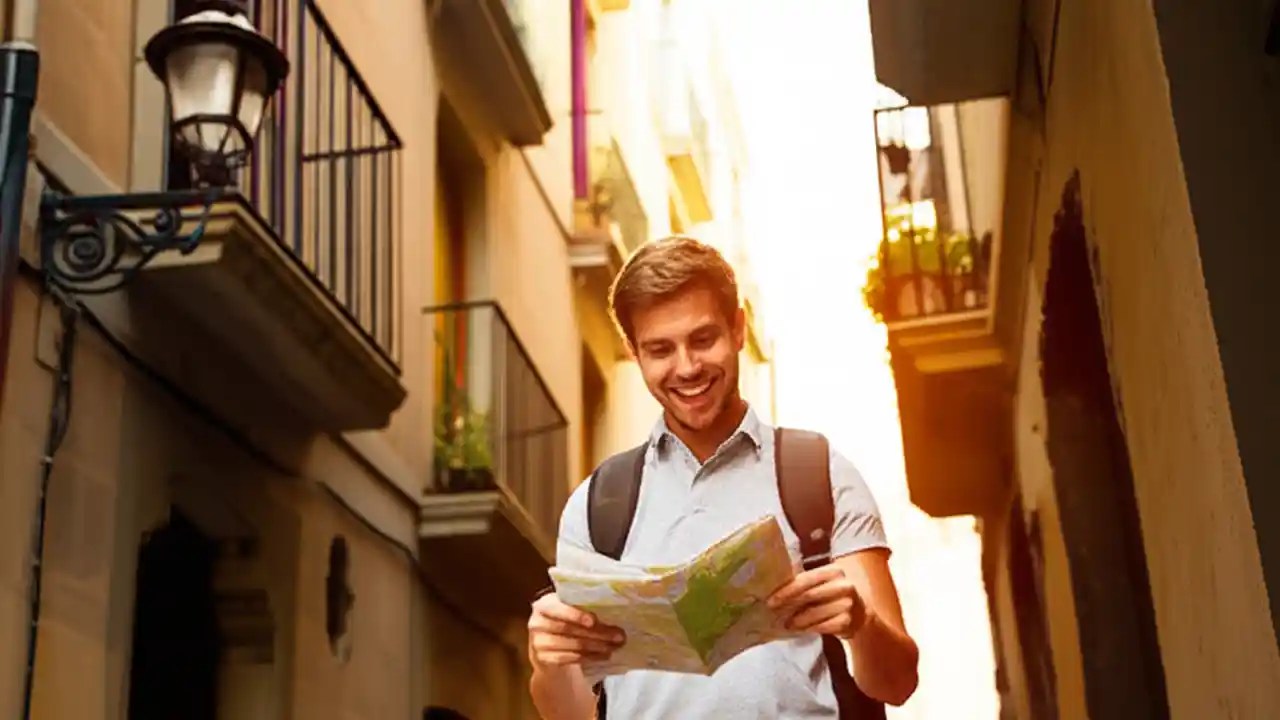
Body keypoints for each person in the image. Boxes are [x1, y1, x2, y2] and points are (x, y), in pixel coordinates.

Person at [528, 236, 919, 718]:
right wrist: (547, 662)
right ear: (633, 352)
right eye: (660, 350)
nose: (687, 368)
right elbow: (574, 716)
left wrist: (860, 624)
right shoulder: (596, 507)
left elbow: (899, 682)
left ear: (738, 328)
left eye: (703, 339)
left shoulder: (819, 473)